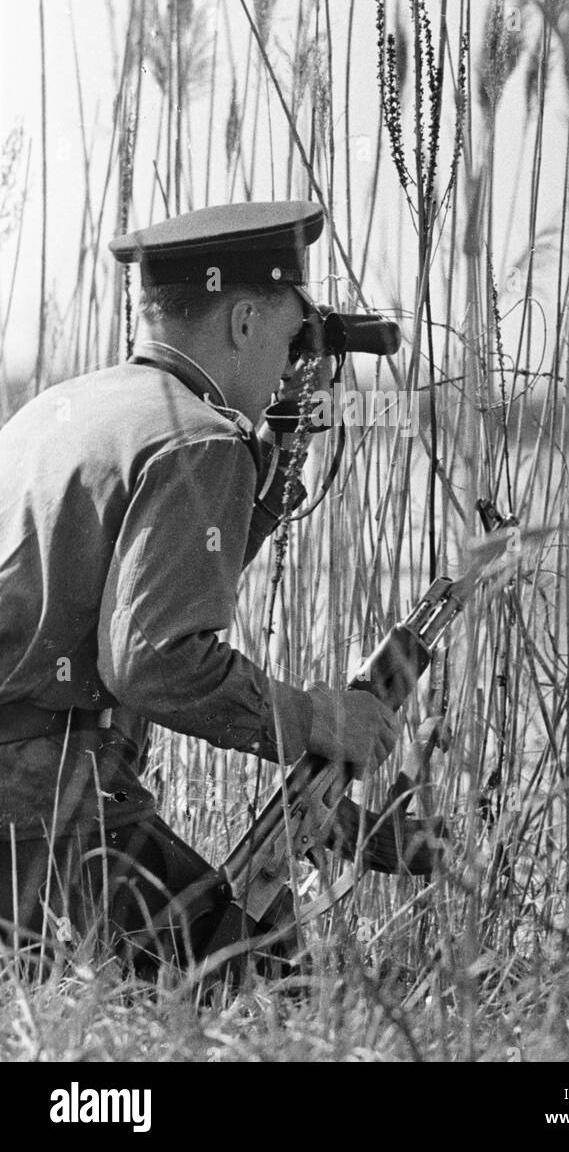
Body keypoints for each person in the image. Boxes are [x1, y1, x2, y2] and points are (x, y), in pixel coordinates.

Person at [0, 200, 398, 976]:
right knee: (265, 981)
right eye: (290, 340)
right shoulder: (202, 440)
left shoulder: (60, 410)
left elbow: (153, 581)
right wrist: (318, 718)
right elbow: (153, 661)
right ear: (245, 322)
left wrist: (280, 455)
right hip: (43, 813)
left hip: (30, 804)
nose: (293, 367)